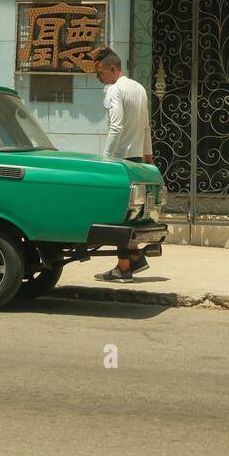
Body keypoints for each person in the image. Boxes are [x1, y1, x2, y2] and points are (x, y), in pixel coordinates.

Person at [92, 48, 159, 282]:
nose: (98, 77)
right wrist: (149, 160)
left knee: (119, 216)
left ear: (112, 69)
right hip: (137, 160)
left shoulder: (114, 90)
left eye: (100, 72)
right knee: (132, 215)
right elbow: (146, 127)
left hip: (120, 161)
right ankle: (135, 258)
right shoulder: (138, 88)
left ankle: (123, 269)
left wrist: (106, 158)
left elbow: (116, 126)